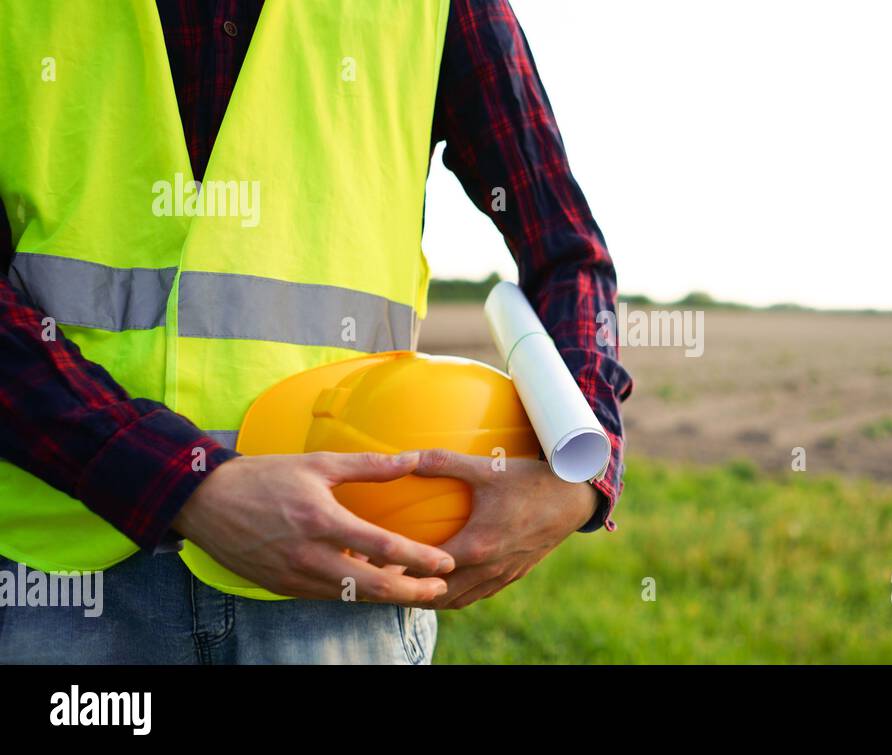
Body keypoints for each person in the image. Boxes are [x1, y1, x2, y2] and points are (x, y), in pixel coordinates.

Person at [0, 0, 632, 664]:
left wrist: (579, 476)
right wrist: (181, 484)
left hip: (348, 578)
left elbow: (568, 255)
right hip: (62, 576)